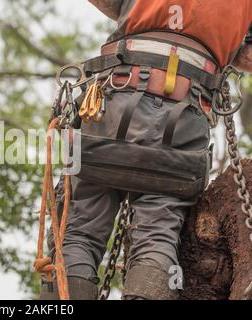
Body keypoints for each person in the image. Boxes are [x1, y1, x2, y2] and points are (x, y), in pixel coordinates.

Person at [40, 0, 252, 300]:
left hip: (113, 100)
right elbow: (247, 56)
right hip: (186, 112)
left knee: (77, 234)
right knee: (157, 236)